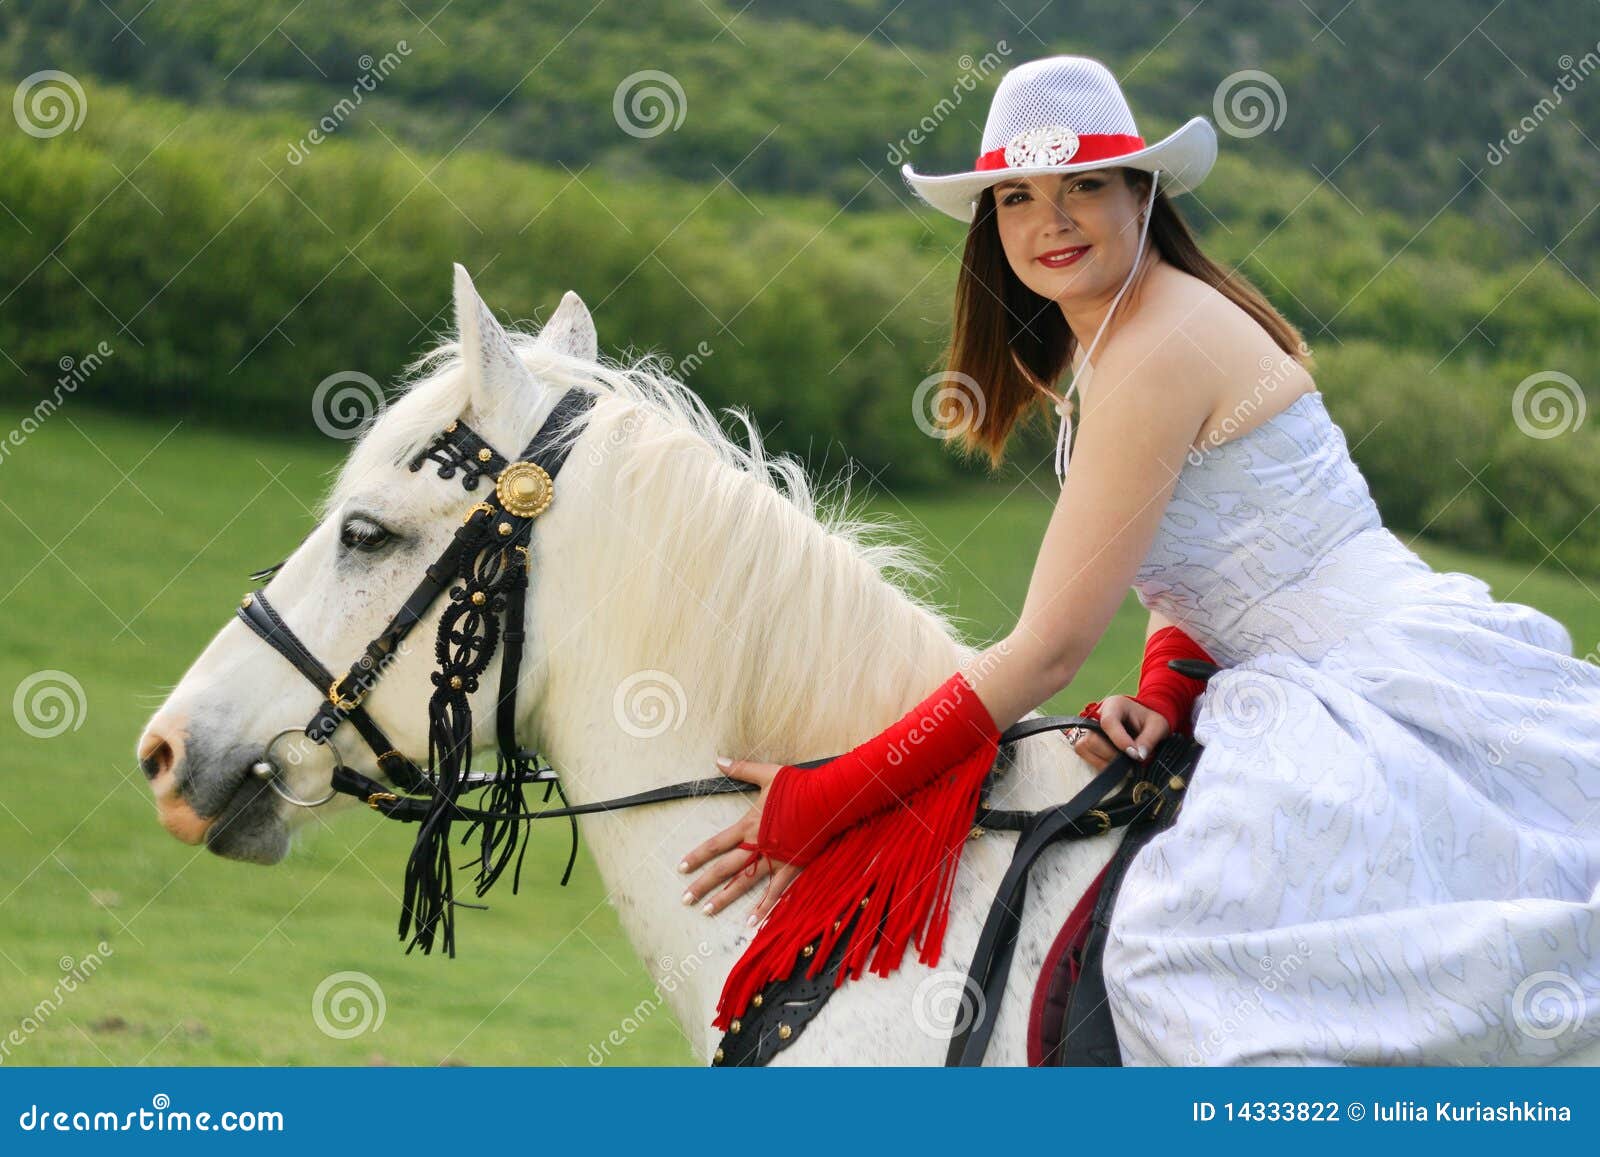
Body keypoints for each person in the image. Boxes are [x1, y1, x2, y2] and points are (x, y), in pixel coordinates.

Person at [679, 55, 1600, 1064]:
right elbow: (1212, 551)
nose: (1050, 220)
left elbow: (1045, 652)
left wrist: (826, 798)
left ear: (1140, 192)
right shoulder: (1128, 336)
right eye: (1016, 197)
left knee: (1177, 960)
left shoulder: (1155, 348)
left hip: (1364, 684)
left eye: (1084, 185)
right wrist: (1168, 676)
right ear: (991, 224)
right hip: (1322, 661)